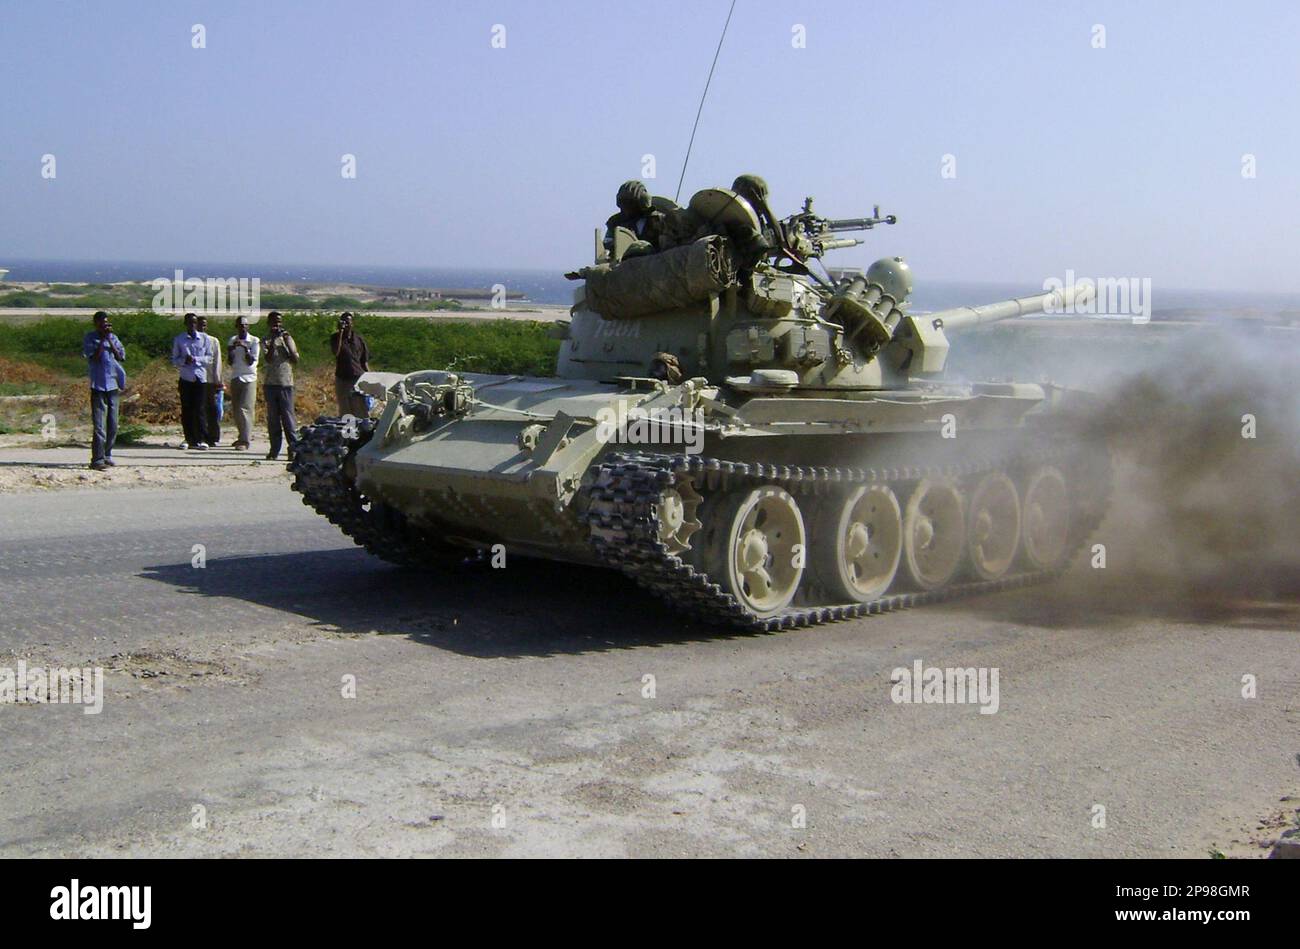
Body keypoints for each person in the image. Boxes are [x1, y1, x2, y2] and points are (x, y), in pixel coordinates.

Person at [82, 311, 125, 471]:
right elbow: (94, 357)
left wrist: (109, 339)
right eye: (101, 324)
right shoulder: (90, 338)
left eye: (106, 323)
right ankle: (97, 459)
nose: (104, 326)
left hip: (113, 384)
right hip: (98, 384)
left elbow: (120, 356)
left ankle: (107, 454)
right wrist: (102, 340)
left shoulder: (113, 338)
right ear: (96, 324)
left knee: (113, 424)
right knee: (99, 425)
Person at [171, 312, 213, 450]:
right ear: (186, 324)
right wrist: (184, 361)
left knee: (200, 409)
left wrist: (196, 359)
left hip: (200, 378)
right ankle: (188, 438)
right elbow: (174, 360)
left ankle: (201, 438)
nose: (192, 325)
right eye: (190, 323)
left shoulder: (205, 339)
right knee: (187, 409)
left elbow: (209, 358)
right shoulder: (179, 339)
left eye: (194, 322)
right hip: (186, 378)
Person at [261, 311, 299, 461]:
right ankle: (274, 450)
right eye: (274, 322)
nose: (277, 325)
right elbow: (268, 359)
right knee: (273, 420)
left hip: (286, 383)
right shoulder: (265, 340)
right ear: (269, 323)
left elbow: (295, 358)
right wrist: (273, 341)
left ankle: (293, 449)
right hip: (270, 383)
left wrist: (285, 341)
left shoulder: (288, 338)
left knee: (288, 419)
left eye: (279, 322)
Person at [603, 180, 664, 257]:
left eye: (630, 203)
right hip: (624, 263)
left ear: (641, 203)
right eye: (623, 202)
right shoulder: (616, 222)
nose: (626, 207)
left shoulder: (657, 220)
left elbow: (667, 245)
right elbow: (607, 245)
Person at [226, 316, 260, 450]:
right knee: (236, 409)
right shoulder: (233, 340)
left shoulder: (254, 341)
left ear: (248, 326)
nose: (243, 327)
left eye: (245, 325)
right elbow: (230, 361)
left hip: (249, 377)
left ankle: (245, 441)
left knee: (245, 408)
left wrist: (246, 348)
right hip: (236, 376)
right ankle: (241, 435)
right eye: (240, 325)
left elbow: (251, 361)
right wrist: (232, 349)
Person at [329, 312, 370, 417]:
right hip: (342, 378)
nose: (346, 325)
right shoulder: (335, 338)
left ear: (352, 323)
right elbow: (336, 353)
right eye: (343, 322)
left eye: (348, 322)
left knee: (360, 408)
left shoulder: (359, 340)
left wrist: (370, 378)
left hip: (357, 377)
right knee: (345, 409)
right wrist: (341, 333)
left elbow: (364, 361)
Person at [196, 315, 224, 446]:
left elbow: (217, 361)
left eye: (204, 325)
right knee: (197, 408)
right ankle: (198, 435)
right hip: (195, 379)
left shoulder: (213, 341)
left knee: (211, 408)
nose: (201, 327)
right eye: (199, 324)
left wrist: (217, 380)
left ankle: (213, 436)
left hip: (209, 379)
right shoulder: (190, 340)